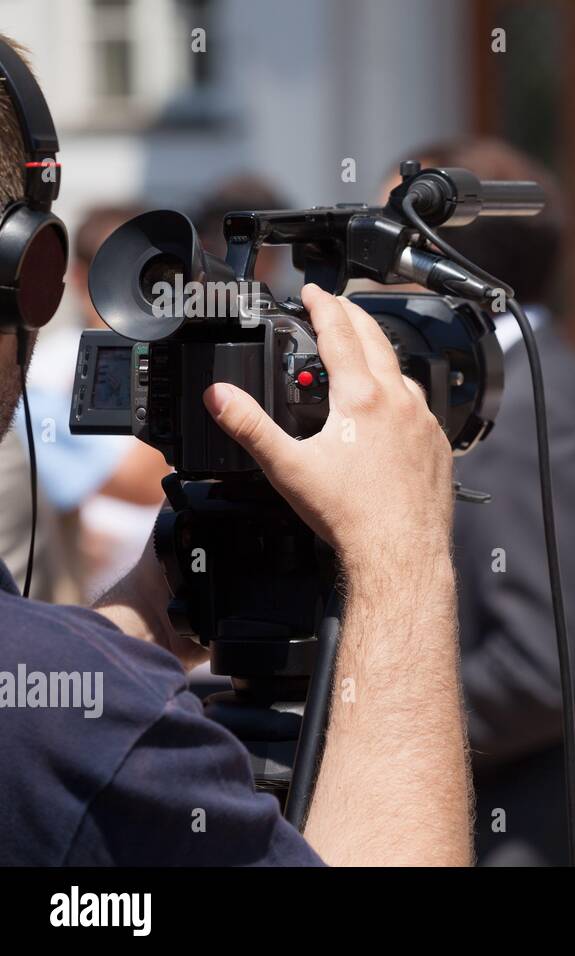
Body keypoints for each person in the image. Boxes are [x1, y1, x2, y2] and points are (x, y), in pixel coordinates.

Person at [0, 34, 471, 865]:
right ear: (28, 271)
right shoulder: (89, 735)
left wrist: (151, 607)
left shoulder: (58, 718)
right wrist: (400, 560)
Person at [382, 139, 575, 865]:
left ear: (437, 262)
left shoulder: (525, 410)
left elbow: (540, 667)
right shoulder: (528, 388)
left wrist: (371, 722)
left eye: (380, 247)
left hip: (547, 835)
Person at [17, 202, 172, 599]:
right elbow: (139, 480)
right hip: (93, 606)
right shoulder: (48, 369)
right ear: (84, 278)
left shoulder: (177, 353)